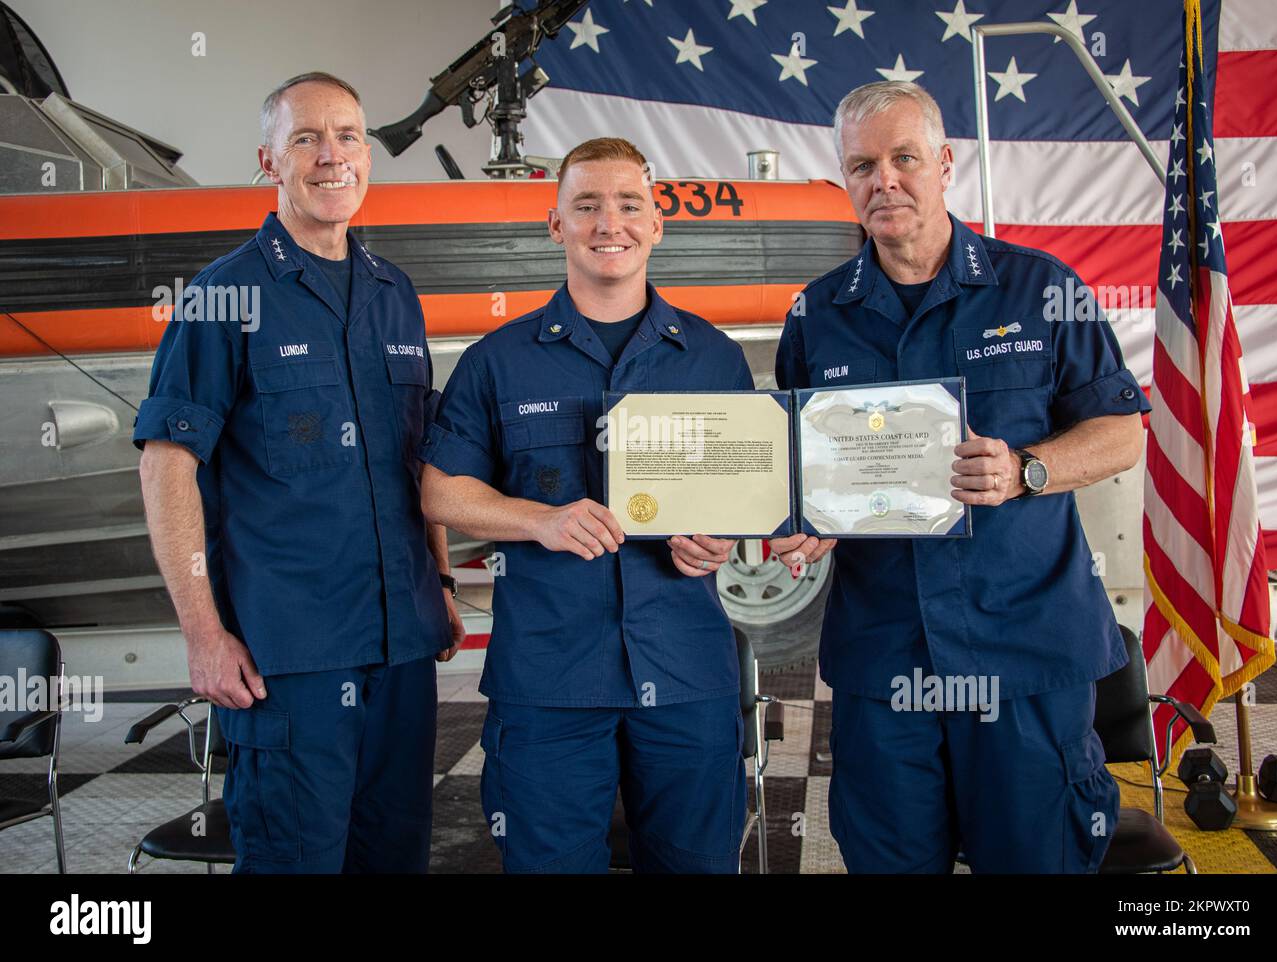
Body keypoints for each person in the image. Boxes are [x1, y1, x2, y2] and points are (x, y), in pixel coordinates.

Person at [770, 81, 1149, 873]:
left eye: (905, 158)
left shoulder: (1041, 289)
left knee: (1036, 857)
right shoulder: (816, 314)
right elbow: (802, 474)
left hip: (1024, 652)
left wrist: (1028, 468)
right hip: (887, 662)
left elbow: (1120, 433)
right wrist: (807, 518)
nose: (886, 181)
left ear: (944, 164)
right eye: (863, 165)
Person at [134, 71, 463, 874]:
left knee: (394, 858)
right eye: (306, 139)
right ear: (268, 161)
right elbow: (167, 464)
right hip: (289, 659)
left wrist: (444, 584)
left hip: (402, 648)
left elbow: (416, 460)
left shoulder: (396, 295)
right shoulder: (222, 296)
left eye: (347, 136)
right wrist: (203, 634)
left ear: (368, 156)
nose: (331, 156)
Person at [419, 137, 751, 873]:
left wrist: (718, 537)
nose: (611, 223)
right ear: (555, 225)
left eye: (630, 205)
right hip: (550, 680)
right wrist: (540, 520)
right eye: (588, 206)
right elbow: (441, 491)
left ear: (656, 224)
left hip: (686, 672)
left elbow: (745, 491)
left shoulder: (713, 357)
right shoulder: (497, 360)